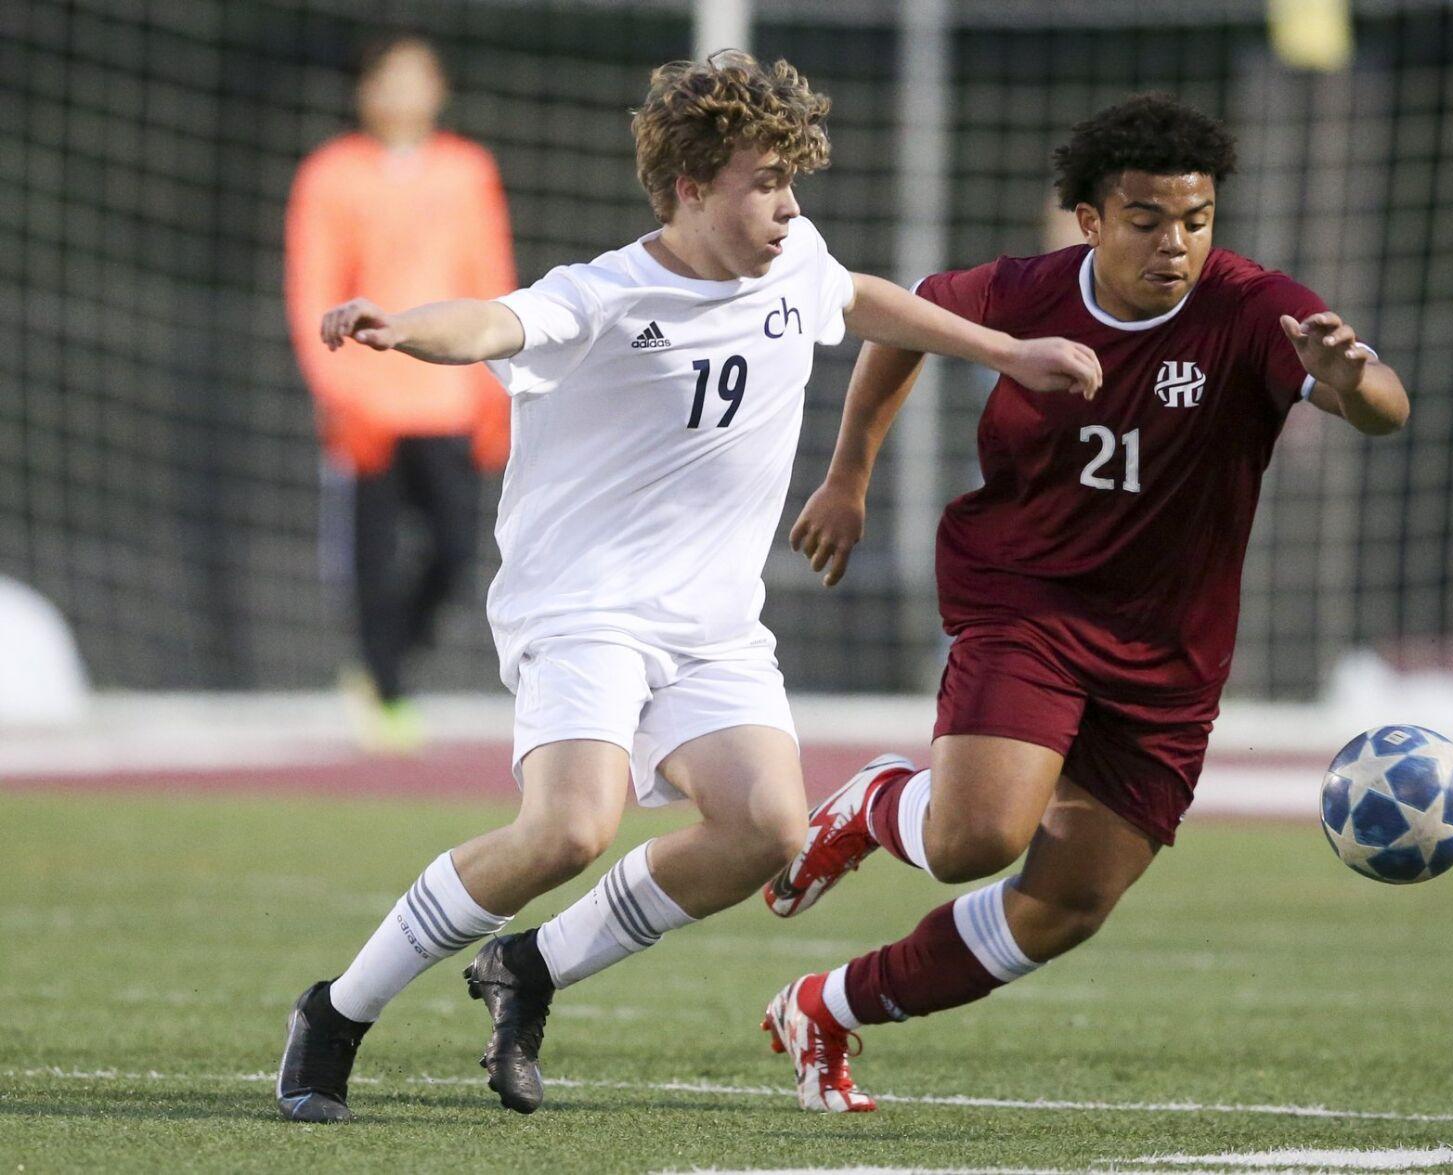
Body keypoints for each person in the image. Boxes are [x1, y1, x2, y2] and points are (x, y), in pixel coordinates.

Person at [273, 51, 1101, 1124]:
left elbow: (860, 301)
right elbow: (492, 320)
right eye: (765, 181)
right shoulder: (610, 292)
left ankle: (528, 969)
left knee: (768, 830)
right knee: (569, 830)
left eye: (792, 180)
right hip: (585, 606)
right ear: (691, 188)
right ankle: (336, 1010)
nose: (787, 204)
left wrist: (1008, 351)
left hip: (713, 624)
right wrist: (402, 330)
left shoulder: (794, 258)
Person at [760, 94, 1411, 1113]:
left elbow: (1386, 410)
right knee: (975, 839)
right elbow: (905, 326)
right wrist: (848, 478)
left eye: (1196, 219)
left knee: (1066, 904)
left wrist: (1353, 377)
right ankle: (883, 800)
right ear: (1091, 220)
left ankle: (827, 1006)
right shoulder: (1020, 290)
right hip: (1028, 600)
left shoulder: (1255, 307)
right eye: (1148, 220)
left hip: (1171, 650)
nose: (1176, 243)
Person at [285, 36, 516, 751]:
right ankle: (384, 691)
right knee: (370, 560)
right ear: (365, 90)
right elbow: (312, 289)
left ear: (438, 89)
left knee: (452, 553)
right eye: (388, 79)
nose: (401, 93)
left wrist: (498, 387)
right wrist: (337, 391)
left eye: (416, 79)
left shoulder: (468, 170)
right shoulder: (330, 175)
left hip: (449, 399)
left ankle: (388, 663)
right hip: (369, 404)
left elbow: (491, 278)